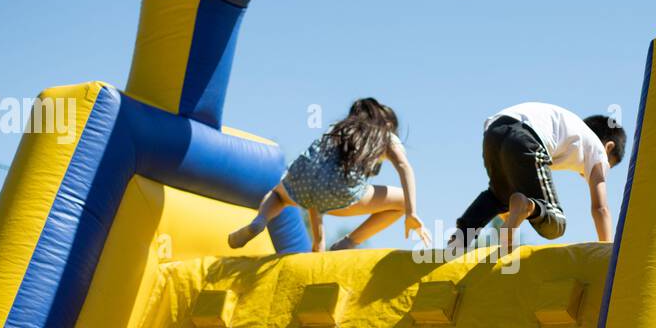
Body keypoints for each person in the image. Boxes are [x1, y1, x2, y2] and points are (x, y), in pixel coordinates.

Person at [228, 98, 431, 253]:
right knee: (402, 202)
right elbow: (404, 167)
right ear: (387, 124)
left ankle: (260, 221)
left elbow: (316, 189)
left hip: (300, 177)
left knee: (278, 195)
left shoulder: (338, 129)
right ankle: (349, 242)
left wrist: (318, 242)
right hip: (342, 193)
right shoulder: (385, 135)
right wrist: (411, 212)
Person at [448, 102, 626, 254]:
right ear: (608, 147)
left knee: (497, 196)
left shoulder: (572, 130)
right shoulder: (598, 151)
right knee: (555, 225)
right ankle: (528, 205)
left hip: (494, 132)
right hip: (527, 137)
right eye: (609, 166)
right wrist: (606, 248)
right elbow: (600, 208)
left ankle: (460, 239)